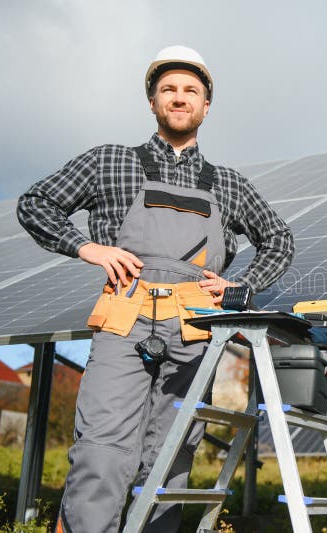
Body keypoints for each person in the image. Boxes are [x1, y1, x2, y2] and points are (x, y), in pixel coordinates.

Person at [17, 45, 294, 532]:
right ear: (153, 102)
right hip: (124, 319)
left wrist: (241, 286)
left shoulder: (229, 184)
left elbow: (279, 240)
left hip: (194, 328)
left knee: (173, 453)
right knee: (102, 448)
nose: (179, 97)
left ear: (206, 106)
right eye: (169, 89)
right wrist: (87, 247)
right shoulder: (109, 161)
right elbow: (35, 203)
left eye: (191, 90)